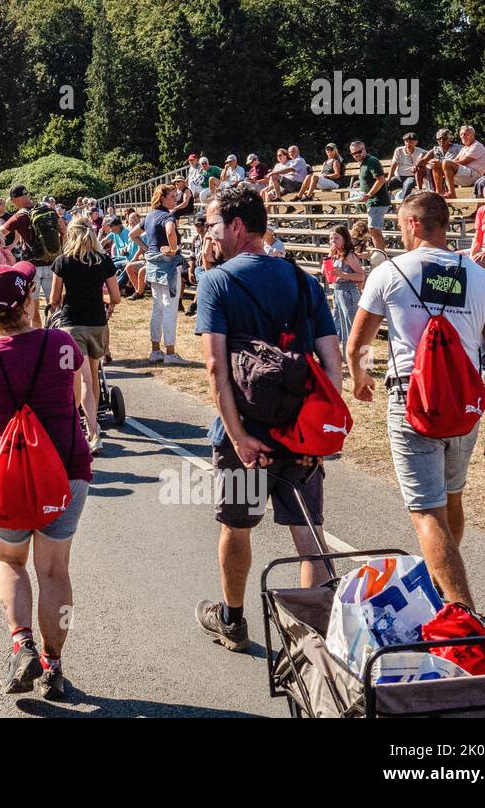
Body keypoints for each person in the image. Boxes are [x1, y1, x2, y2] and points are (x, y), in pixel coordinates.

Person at [347, 191, 485, 612]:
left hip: (413, 404)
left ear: (414, 224)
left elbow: (357, 344)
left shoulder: (389, 273)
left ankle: (462, 612)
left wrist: (360, 375)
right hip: (465, 407)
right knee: (452, 495)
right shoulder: (480, 277)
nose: (400, 233)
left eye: (401, 225)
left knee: (426, 513)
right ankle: (443, 582)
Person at [192, 185, 341, 652]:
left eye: (214, 226)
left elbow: (216, 367)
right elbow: (331, 361)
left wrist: (237, 436)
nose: (210, 235)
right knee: (308, 531)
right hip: (299, 433)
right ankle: (316, 636)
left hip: (247, 436)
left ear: (237, 226)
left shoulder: (216, 282)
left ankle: (233, 621)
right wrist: (321, 431)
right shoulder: (301, 279)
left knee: (236, 526)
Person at [0, 262, 90, 700]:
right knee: (55, 569)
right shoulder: (61, 342)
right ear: (27, 301)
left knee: (10, 562)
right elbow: (75, 399)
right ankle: (53, 664)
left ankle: (21, 644)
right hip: (66, 469)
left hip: (7, 473)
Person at [49, 218, 120, 450]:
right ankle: (93, 429)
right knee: (93, 376)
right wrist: (101, 299)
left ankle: (84, 430)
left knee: (76, 378)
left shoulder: (62, 262)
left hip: (71, 324)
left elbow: (54, 300)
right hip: (97, 324)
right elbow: (116, 297)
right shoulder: (104, 261)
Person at [1, 184, 66, 302]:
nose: (13, 203)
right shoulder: (48, 209)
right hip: (53, 263)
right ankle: (54, 321)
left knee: (33, 308)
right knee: (54, 304)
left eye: (12, 200)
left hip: (32, 267)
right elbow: (63, 231)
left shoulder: (19, 216)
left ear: (16, 199)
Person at [142, 184, 185, 364]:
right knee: (169, 309)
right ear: (162, 198)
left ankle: (155, 350)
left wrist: (148, 250)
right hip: (167, 267)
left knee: (157, 308)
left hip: (153, 266)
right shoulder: (167, 216)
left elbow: (134, 235)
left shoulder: (150, 216)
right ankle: (170, 352)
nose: (175, 199)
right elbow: (169, 230)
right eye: (172, 196)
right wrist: (173, 248)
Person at [322, 225, 366, 368]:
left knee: (352, 326)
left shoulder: (349, 255)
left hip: (349, 292)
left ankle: (361, 361)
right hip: (338, 292)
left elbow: (361, 276)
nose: (333, 241)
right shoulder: (335, 254)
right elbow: (325, 272)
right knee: (338, 325)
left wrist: (343, 275)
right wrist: (329, 255)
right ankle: (344, 357)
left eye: (336, 238)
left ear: (344, 239)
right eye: (331, 238)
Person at [347, 138, 389, 252]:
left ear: (364, 149)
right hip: (372, 201)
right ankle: (380, 255)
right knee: (374, 230)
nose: (356, 155)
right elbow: (369, 180)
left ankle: (381, 257)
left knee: (373, 230)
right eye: (353, 153)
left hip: (378, 201)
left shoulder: (371, 161)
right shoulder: (363, 163)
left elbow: (380, 179)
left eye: (359, 152)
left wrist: (369, 194)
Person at [433, 125, 485, 198]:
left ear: (473, 135)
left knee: (445, 163)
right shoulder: (464, 148)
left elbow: (463, 161)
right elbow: (455, 160)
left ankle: (452, 194)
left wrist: (444, 164)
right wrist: (440, 164)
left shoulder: (477, 146)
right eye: (461, 134)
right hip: (463, 175)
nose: (463, 136)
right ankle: (439, 193)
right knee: (435, 164)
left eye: (466, 134)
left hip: (475, 176)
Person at [387, 131, 422, 201]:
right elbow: (394, 165)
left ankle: (402, 201)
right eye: (406, 141)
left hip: (411, 177)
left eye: (411, 141)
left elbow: (426, 163)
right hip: (398, 177)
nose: (408, 143)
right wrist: (389, 178)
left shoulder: (421, 152)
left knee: (408, 183)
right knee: (384, 185)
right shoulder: (399, 150)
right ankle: (387, 204)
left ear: (416, 142)